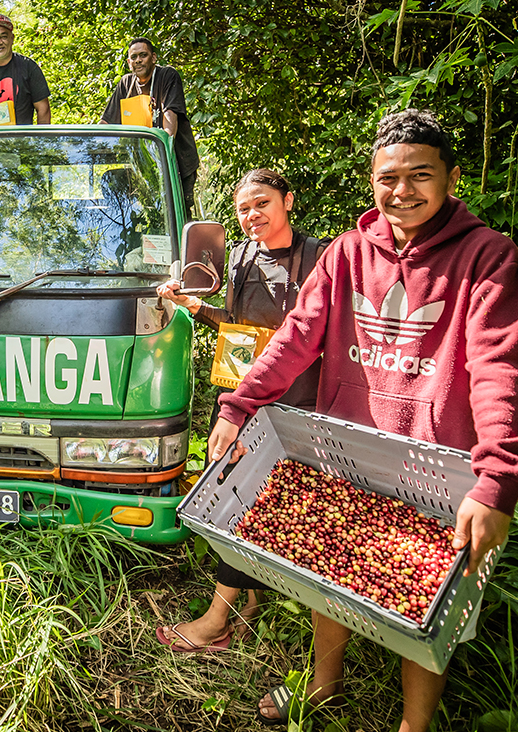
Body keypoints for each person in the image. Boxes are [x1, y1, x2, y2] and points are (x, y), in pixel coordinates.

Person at [207, 110, 518, 729]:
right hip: (347, 445)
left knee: (430, 603)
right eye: (389, 177)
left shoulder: (486, 258)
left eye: (421, 175)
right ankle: (324, 683)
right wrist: (239, 403)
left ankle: (414, 724)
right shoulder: (348, 253)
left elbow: (501, 371)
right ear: (370, 180)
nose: (402, 191)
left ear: (452, 178)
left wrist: (496, 479)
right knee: (330, 567)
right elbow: (296, 336)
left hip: (436, 458)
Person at [154, 169, 329, 653]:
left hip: (294, 403)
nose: (252, 215)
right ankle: (245, 596)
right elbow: (235, 327)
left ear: (288, 201)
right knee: (228, 495)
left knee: (255, 502)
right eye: (243, 208)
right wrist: (193, 305)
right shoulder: (242, 257)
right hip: (239, 397)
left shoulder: (320, 257)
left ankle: (217, 621)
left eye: (262, 203)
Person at [99, 38, 200, 218]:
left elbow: (170, 120)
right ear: (129, 62)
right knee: (147, 214)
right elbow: (106, 123)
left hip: (175, 161)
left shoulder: (167, 76)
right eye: (134, 57)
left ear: (153, 58)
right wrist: (90, 142)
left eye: (143, 55)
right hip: (144, 164)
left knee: (176, 215)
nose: (138, 60)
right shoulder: (126, 84)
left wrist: (164, 149)